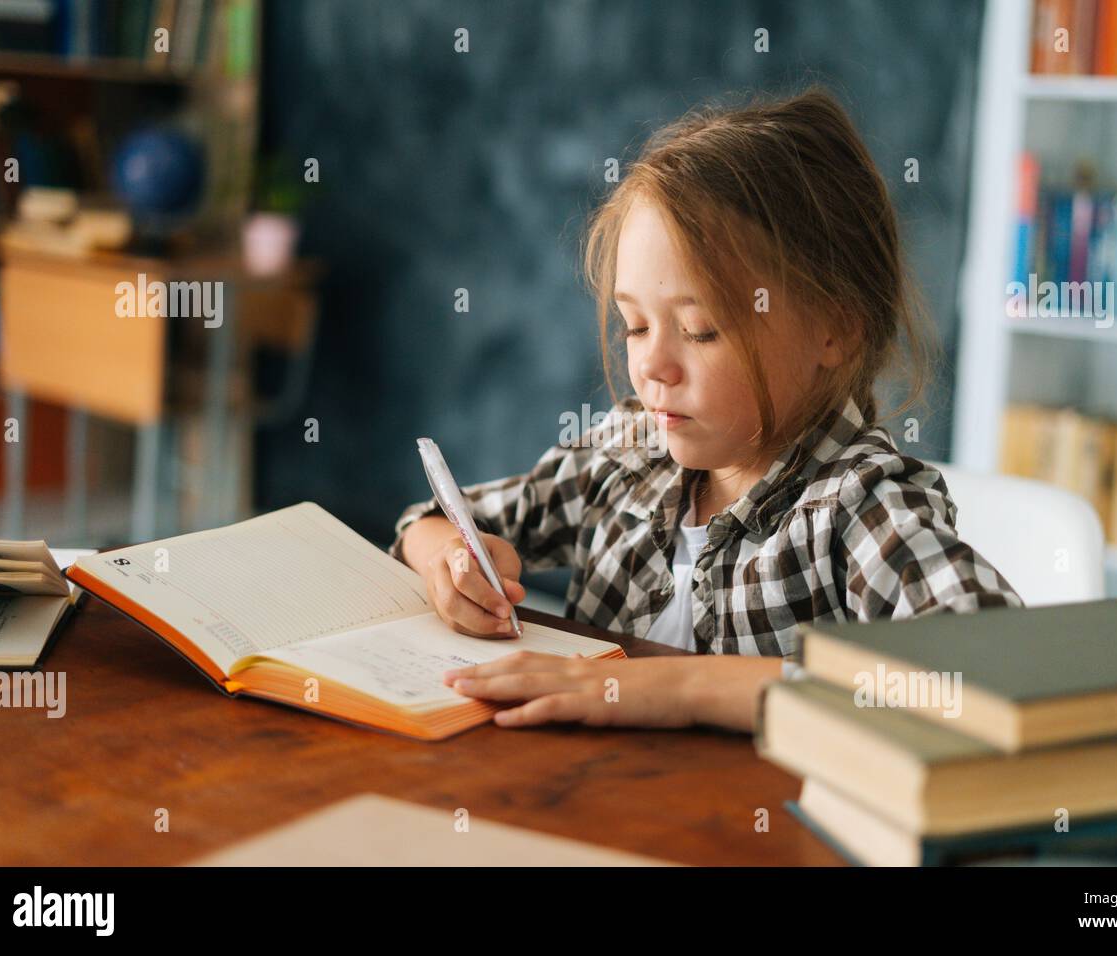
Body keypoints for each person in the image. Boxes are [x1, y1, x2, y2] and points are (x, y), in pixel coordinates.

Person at [391, 86, 1021, 734]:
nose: (652, 367)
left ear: (834, 329)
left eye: (699, 331)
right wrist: (450, 563)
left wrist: (686, 684)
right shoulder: (625, 454)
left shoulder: (854, 506)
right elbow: (432, 519)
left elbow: (984, 669)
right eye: (635, 326)